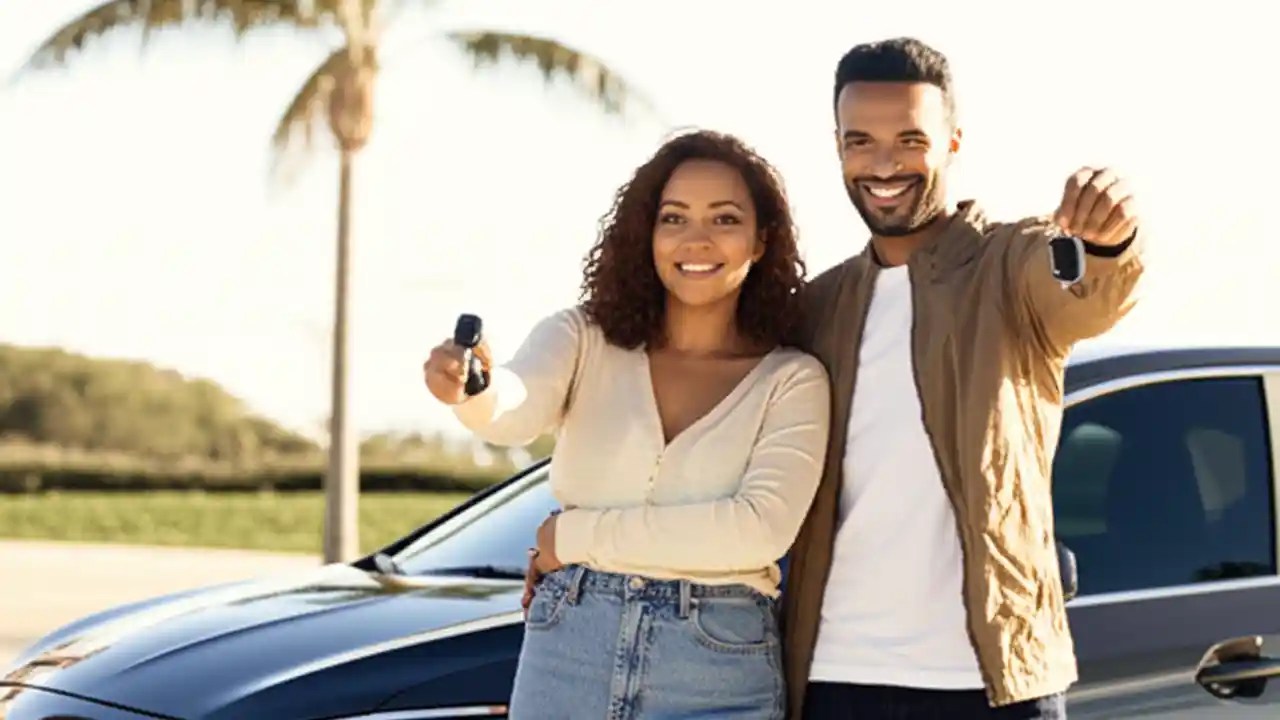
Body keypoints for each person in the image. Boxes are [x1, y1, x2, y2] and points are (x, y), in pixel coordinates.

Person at [781, 37, 1146, 720]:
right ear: (837, 148)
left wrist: (1109, 243)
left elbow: (1086, 293)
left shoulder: (1009, 264)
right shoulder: (817, 308)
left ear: (952, 142)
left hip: (991, 685)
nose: (883, 164)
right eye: (860, 142)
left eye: (909, 140)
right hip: (832, 679)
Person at [422, 129, 830, 719]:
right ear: (647, 233)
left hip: (716, 666)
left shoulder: (792, 381)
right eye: (674, 218)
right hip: (569, 647)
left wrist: (572, 538)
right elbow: (516, 406)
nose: (696, 239)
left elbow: (756, 531)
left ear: (762, 239)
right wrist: (473, 389)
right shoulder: (583, 337)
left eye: (724, 219)